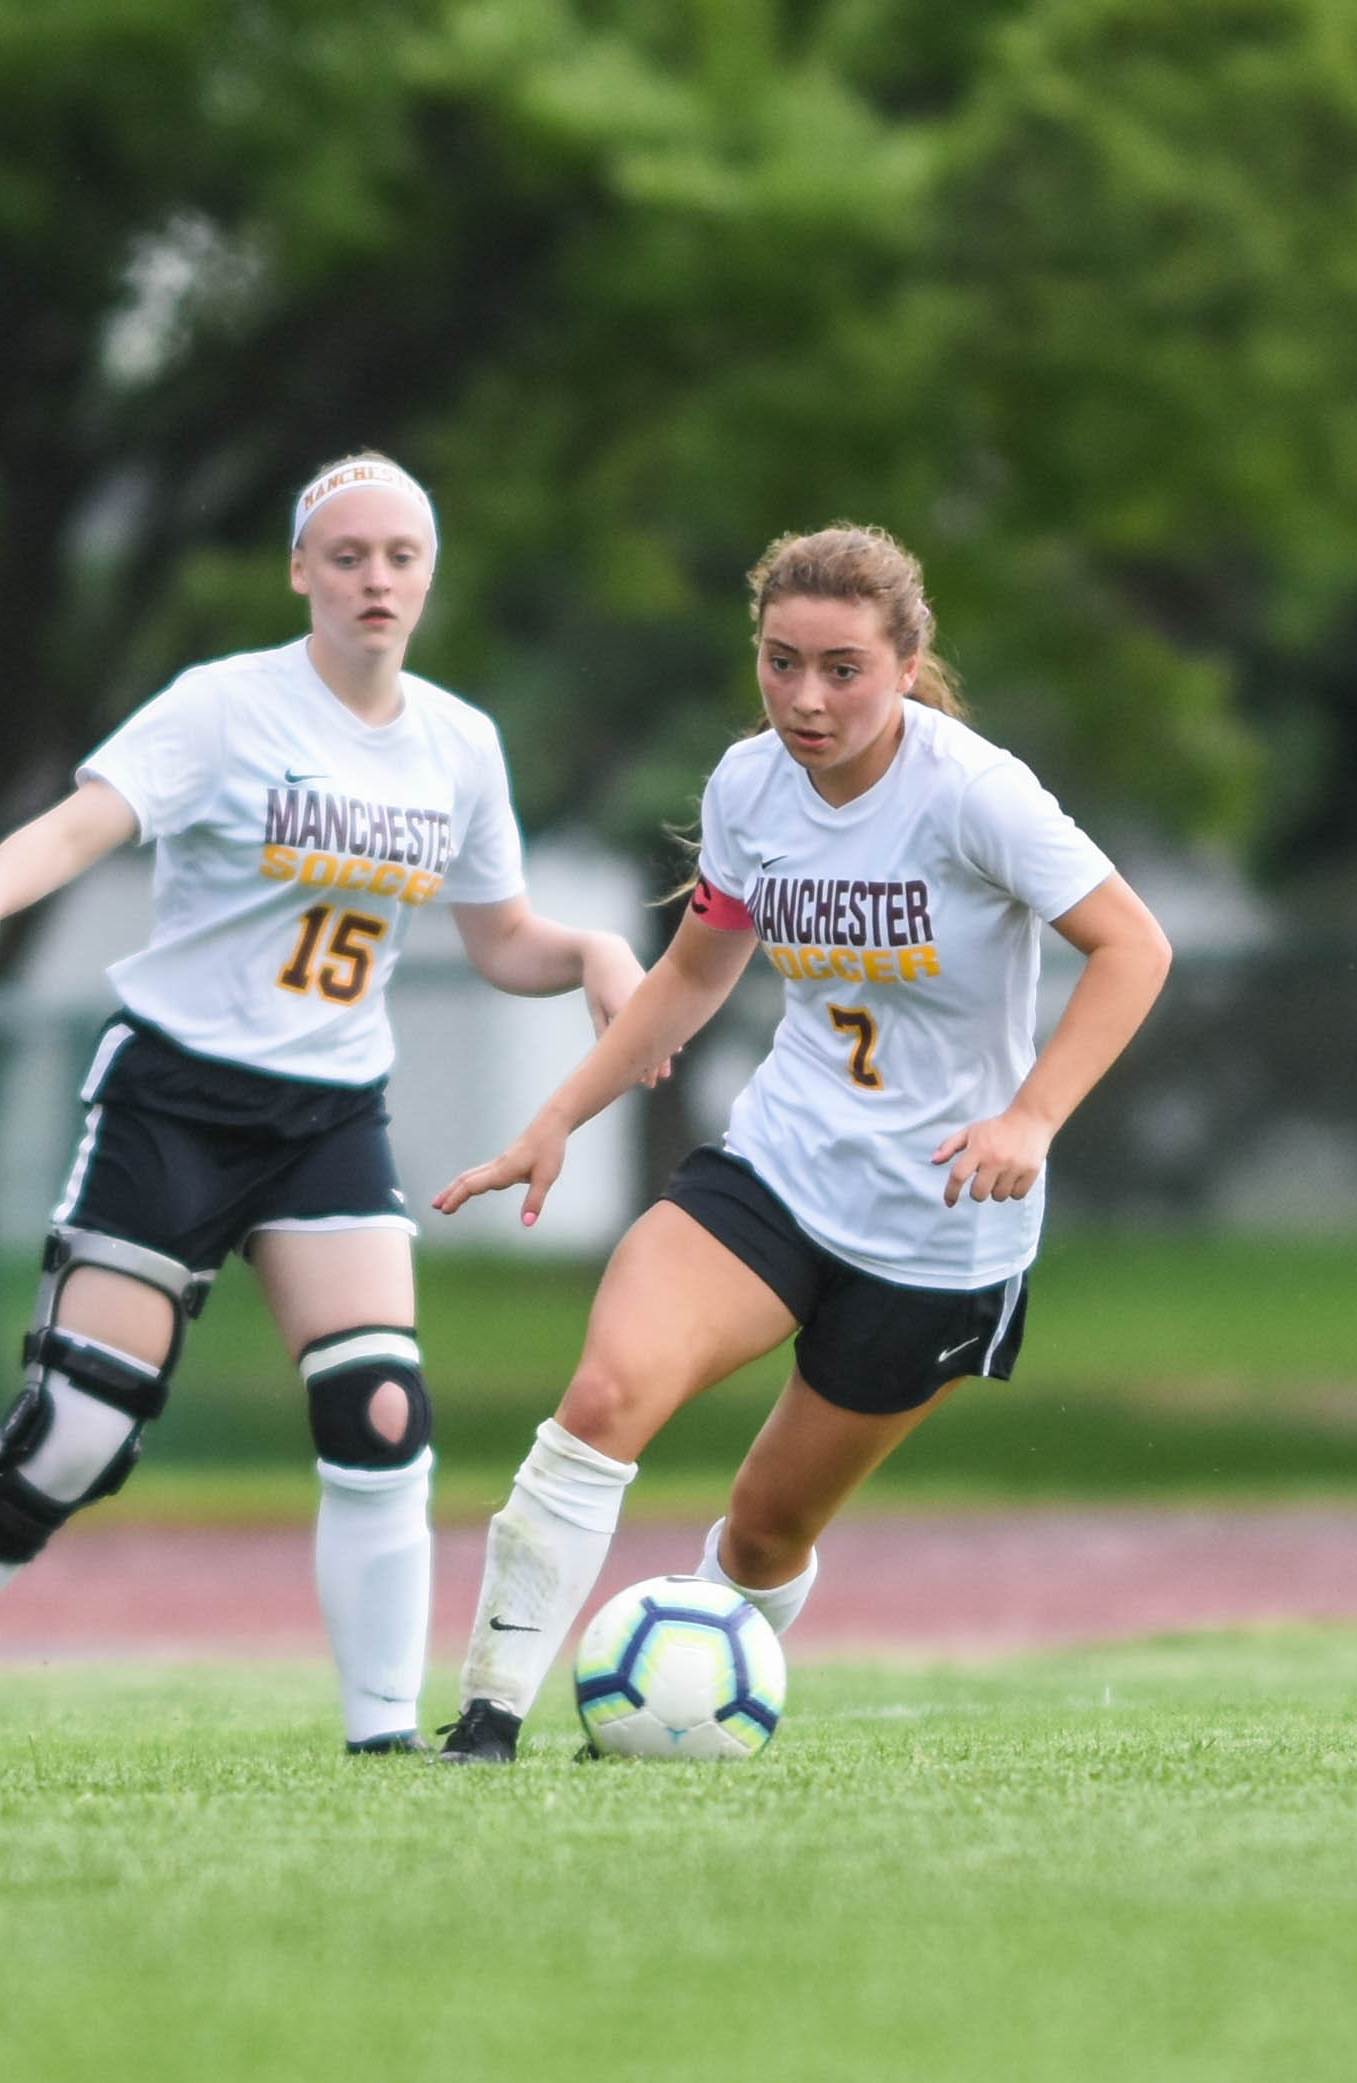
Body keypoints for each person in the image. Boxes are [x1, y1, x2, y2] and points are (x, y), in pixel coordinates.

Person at [0, 453, 646, 1772]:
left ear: (429, 574)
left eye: (401, 555)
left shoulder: (460, 744)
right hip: (176, 1095)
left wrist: (583, 956)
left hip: (330, 1113)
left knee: (381, 1411)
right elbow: (79, 825)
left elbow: (501, 934)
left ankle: (383, 1748)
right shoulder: (224, 709)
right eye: (347, 556)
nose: (376, 580)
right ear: (302, 572)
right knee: (73, 1435)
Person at [427, 524, 1172, 1759]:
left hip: (938, 1226)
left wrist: (1031, 1116)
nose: (805, 699)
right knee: (606, 1391)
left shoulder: (973, 792)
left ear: (906, 658)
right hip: (778, 1167)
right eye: (780, 663)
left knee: (767, 1530)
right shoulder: (746, 784)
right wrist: (553, 1119)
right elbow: (690, 974)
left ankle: (694, 1711)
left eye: (841, 668)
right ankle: (484, 1721)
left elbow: (1134, 945)